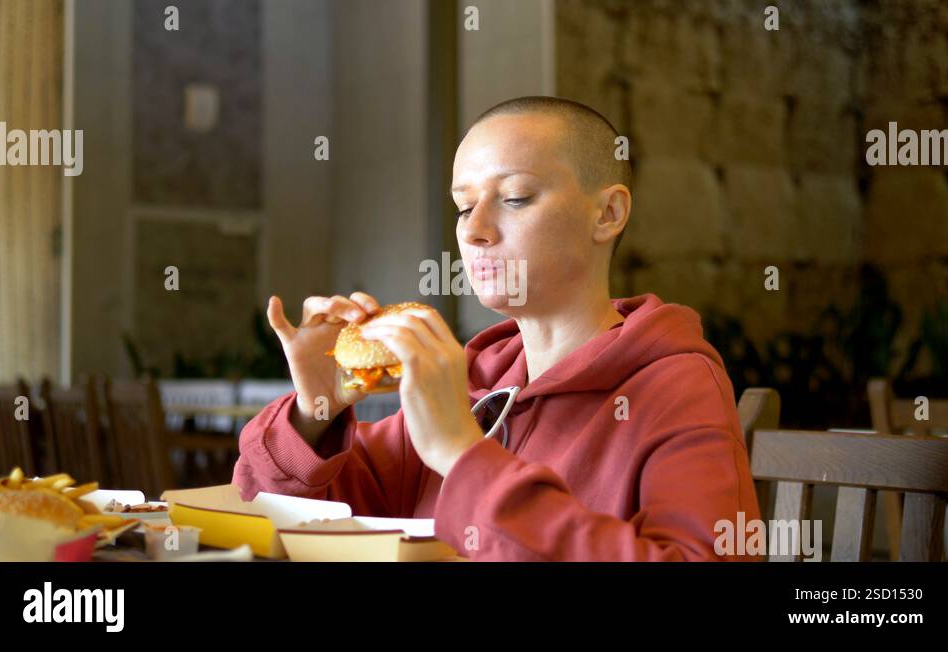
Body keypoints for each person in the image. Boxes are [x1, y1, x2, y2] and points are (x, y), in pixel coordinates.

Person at [232, 96, 761, 561]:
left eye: (514, 198)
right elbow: (282, 520)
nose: (475, 230)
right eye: (464, 206)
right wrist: (315, 413)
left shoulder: (674, 385)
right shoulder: (471, 379)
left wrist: (465, 457)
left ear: (608, 212)